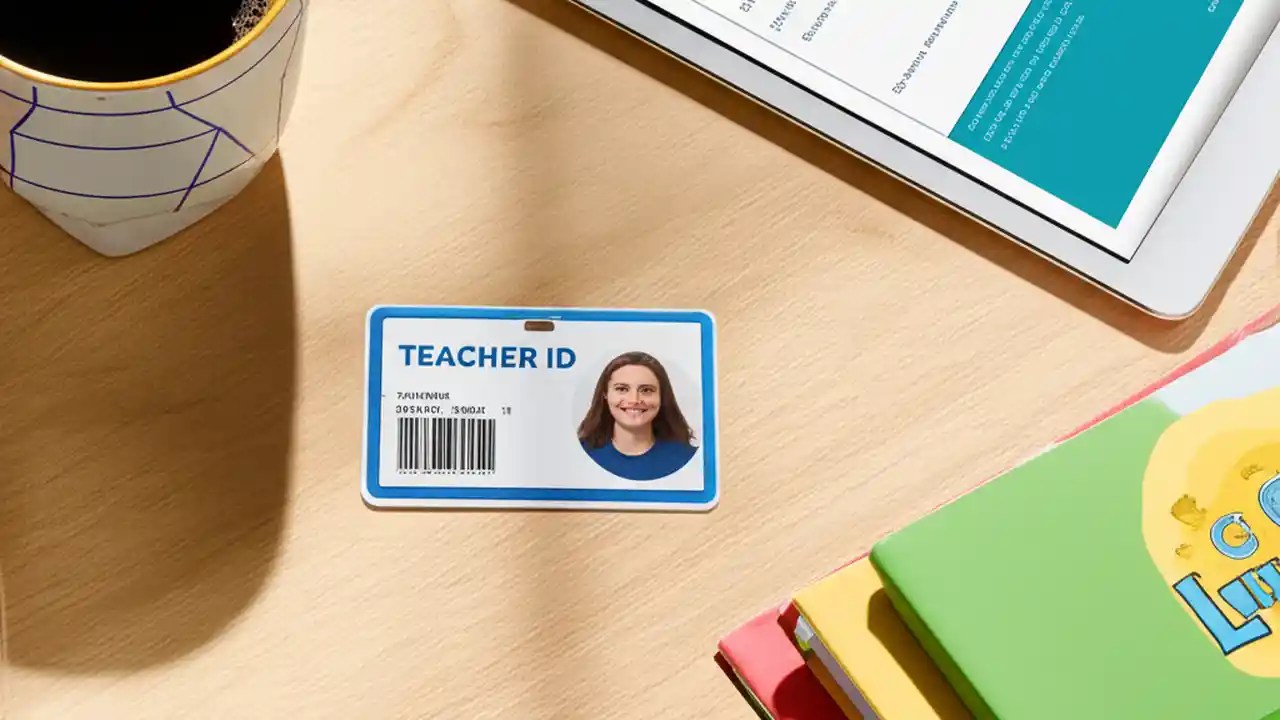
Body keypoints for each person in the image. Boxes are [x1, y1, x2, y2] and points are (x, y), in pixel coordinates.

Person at [578, 351, 698, 481]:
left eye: (646, 390)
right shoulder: (578, 456)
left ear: (662, 397)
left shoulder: (690, 460)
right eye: (622, 389)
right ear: (605, 395)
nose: (634, 400)